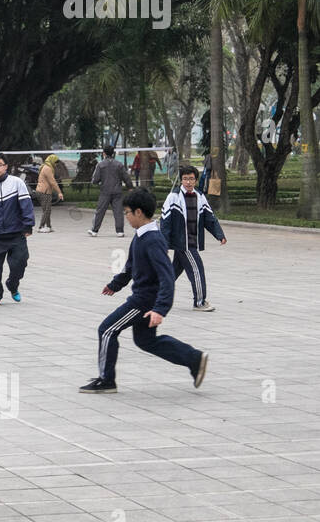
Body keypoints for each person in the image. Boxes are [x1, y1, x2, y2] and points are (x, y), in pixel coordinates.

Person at [80, 188, 208, 393]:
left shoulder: (153, 240)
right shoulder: (140, 236)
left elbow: (167, 277)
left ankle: (107, 380)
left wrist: (160, 309)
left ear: (138, 212)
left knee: (107, 330)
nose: (126, 216)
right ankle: (194, 359)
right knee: (145, 341)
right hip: (145, 299)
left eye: (127, 212)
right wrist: (115, 285)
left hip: (143, 302)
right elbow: (131, 266)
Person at [161, 166, 227, 312]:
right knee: (197, 269)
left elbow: (210, 218)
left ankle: (153, 295)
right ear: (181, 180)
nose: (188, 182)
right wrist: (164, 244)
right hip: (183, 243)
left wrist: (219, 235)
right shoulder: (174, 197)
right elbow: (165, 222)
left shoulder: (200, 196)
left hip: (193, 240)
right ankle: (199, 302)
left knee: (171, 273)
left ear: (196, 180)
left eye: (191, 179)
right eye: (185, 179)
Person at [0, 152, 35, 305]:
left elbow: (26, 206)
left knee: (21, 262)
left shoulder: (16, 183)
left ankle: (13, 284)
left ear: (6, 166)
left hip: (17, 233)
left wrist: (28, 225)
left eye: (0, 165)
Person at [89, 144, 133, 237]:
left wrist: (95, 182)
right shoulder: (119, 164)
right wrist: (130, 187)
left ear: (104, 153)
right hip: (117, 191)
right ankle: (120, 231)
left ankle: (94, 230)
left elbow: (95, 180)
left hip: (105, 191)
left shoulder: (100, 165)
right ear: (113, 153)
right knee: (118, 212)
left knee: (100, 211)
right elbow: (126, 178)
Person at [34, 153, 65, 232]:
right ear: (51, 161)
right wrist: (59, 192)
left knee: (47, 210)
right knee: (47, 210)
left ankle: (48, 226)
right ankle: (41, 227)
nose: (56, 164)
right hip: (44, 192)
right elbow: (52, 182)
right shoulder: (47, 168)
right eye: (55, 162)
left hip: (42, 191)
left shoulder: (45, 166)